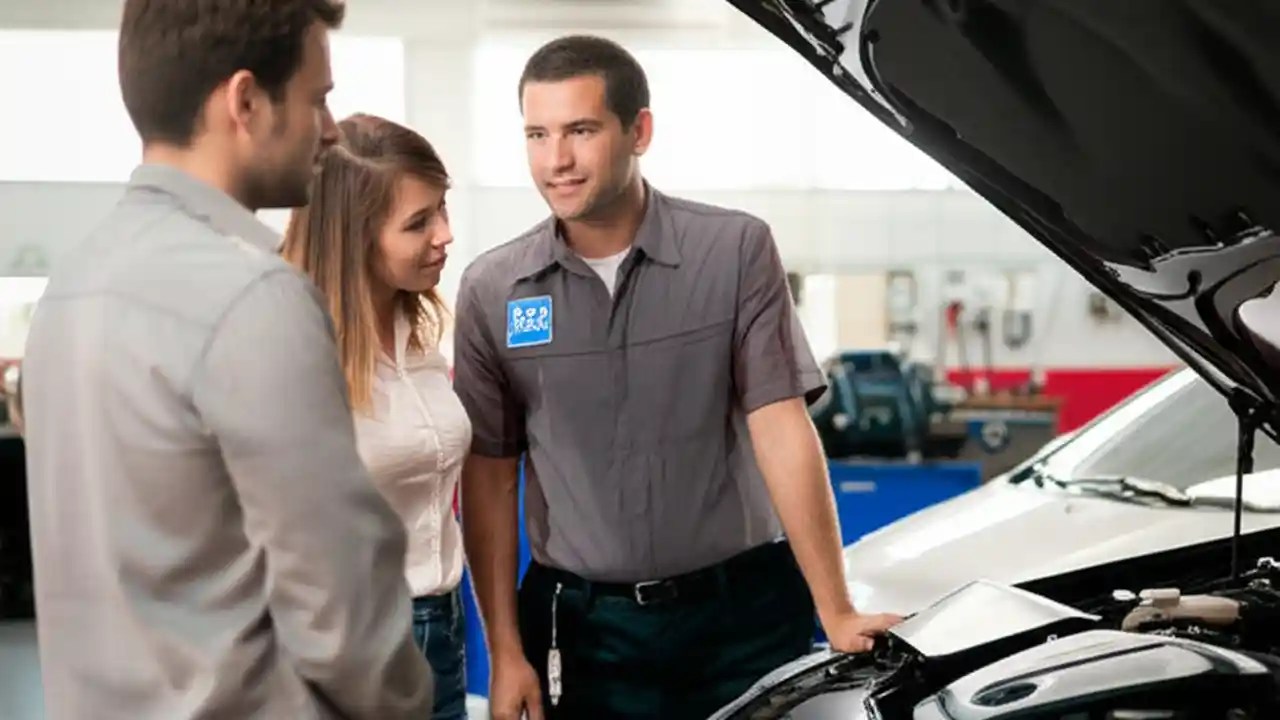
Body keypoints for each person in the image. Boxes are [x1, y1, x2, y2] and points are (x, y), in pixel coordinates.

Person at [454, 34, 904, 720]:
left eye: (581, 130)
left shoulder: (733, 251)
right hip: (585, 634)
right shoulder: (494, 289)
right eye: (537, 135)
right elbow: (489, 477)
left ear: (639, 131)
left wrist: (836, 609)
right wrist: (506, 651)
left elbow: (781, 427)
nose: (556, 160)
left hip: (744, 619)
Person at [20, 2, 432, 718]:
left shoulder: (73, 284)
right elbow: (345, 613)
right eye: (317, 100)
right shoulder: (254, 297)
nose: (330, 131)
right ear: (245, 102)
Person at [281, 112, 472, 720]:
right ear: (354, 237)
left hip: (443, 632)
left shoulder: (418, 332)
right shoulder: (294, 350)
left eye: (442, 209)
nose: (445, 235)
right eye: (419, 223)